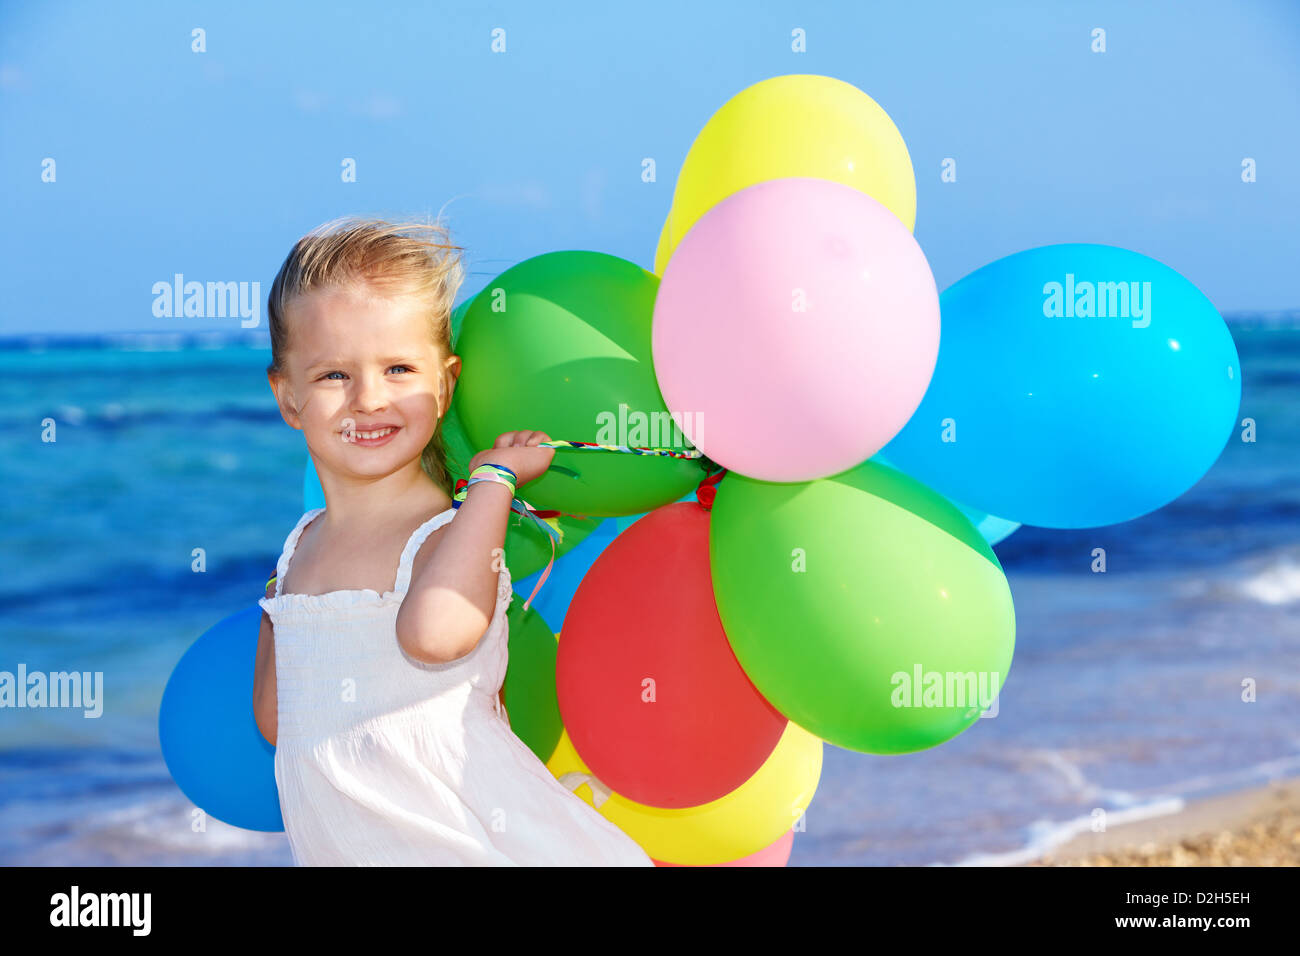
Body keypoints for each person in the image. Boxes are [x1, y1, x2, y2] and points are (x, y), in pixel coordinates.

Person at [252, 216, 654, 866]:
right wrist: (280, 608)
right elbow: (279, 720)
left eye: (400, 368)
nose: (369, 398)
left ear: (444, 384)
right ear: (287, 396)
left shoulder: (446, 533)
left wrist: (492, 483)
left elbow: (435, 634)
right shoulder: (300, 546)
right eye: (333, 376)